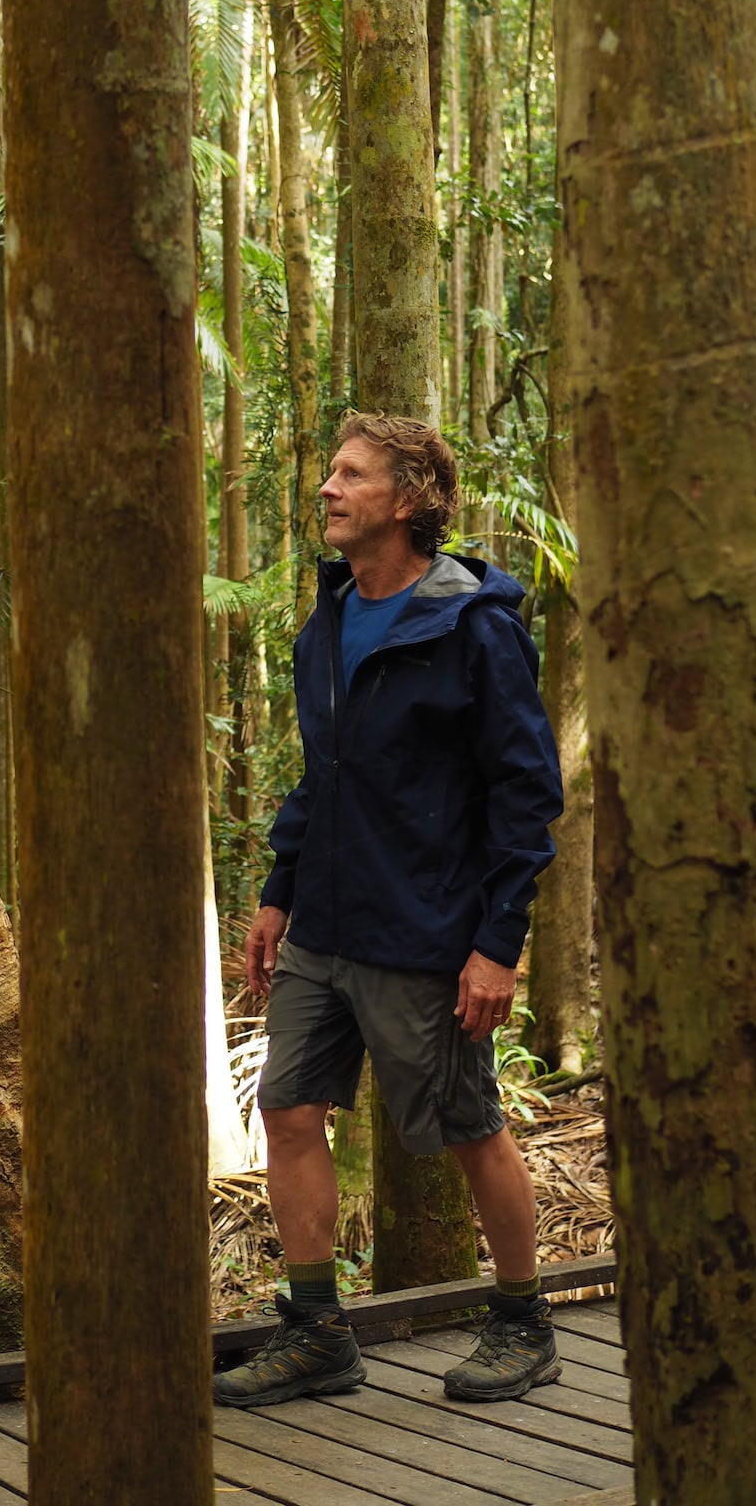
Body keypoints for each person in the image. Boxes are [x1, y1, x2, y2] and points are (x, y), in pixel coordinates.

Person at [213, 412, 564, 1410]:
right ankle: (318, 1329)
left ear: (408, 500)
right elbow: (323, 775)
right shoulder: (330, 618)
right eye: (330, 471)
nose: (327, 487)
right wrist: (279, 892)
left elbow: (526, 793)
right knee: (287, 1107)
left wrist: (497, 945)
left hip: (424, 929)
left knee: (467, 1123)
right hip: (324, 923)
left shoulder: (475, 624)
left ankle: (523, 1319)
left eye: (351, 473)